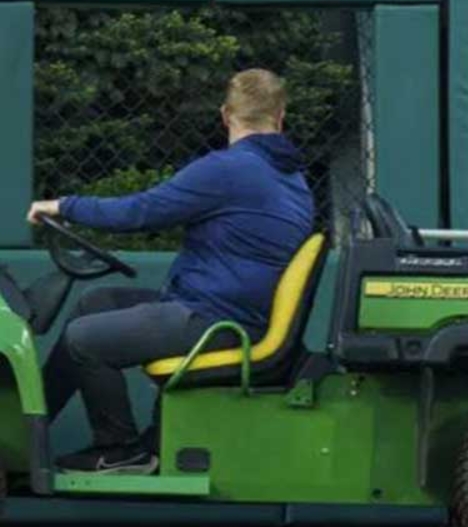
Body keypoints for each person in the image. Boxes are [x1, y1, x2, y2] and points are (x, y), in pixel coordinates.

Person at [25, 69, 313, 474]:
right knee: (96, 303)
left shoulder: (230, 170)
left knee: (83, 339)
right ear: (280, 117)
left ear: (226, 115)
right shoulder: (292, 178)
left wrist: (64, 206)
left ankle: (121, 449)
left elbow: (141, 211)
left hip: (216, 321)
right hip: (226, 312)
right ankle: (26, 435)